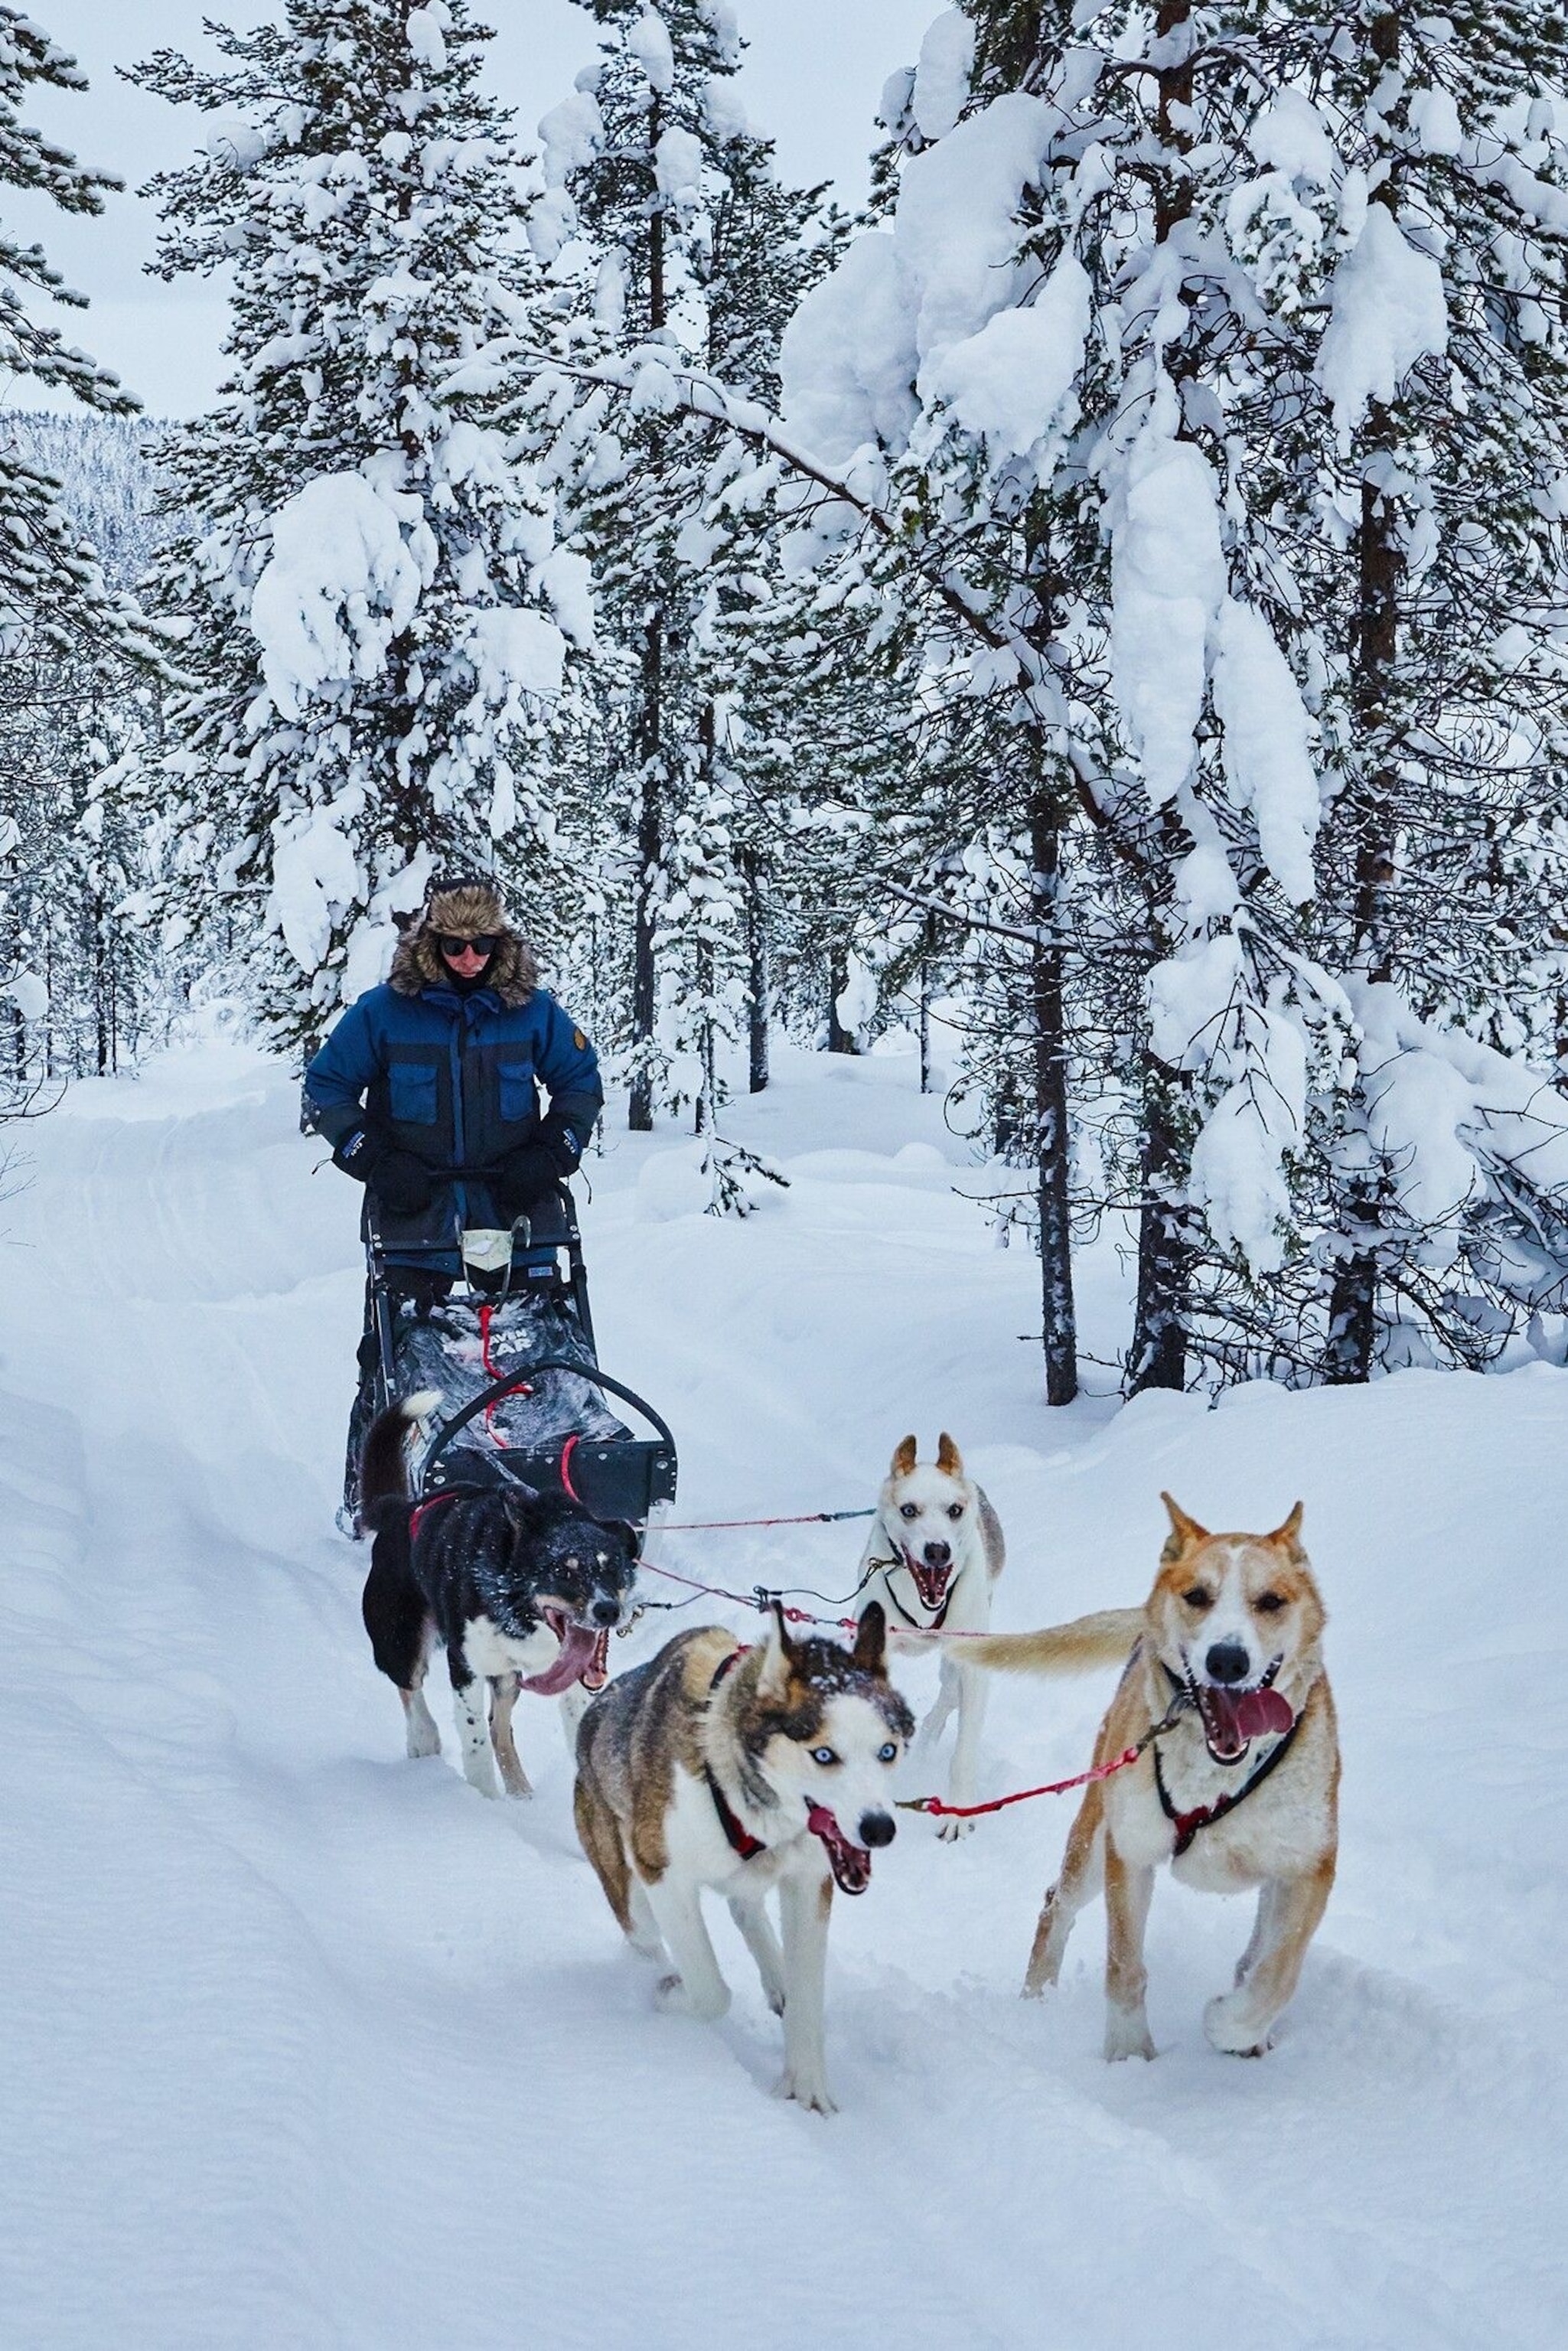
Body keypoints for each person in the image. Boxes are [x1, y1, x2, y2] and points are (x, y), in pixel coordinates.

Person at [302, 872, 603, 1527]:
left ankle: (553, 1476)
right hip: (417, 1209)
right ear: (429, 946)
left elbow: (580, 1083)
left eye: (482, 947)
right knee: (395, 1349)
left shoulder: (533, 1012)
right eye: (454, 948)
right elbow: (325, 1089)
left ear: (501, 946)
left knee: (536, 1338)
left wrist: (554, 1152)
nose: (468, 961)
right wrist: (372, 1159)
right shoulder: (383, 1013)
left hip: (514, 1205)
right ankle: (373, 1490)